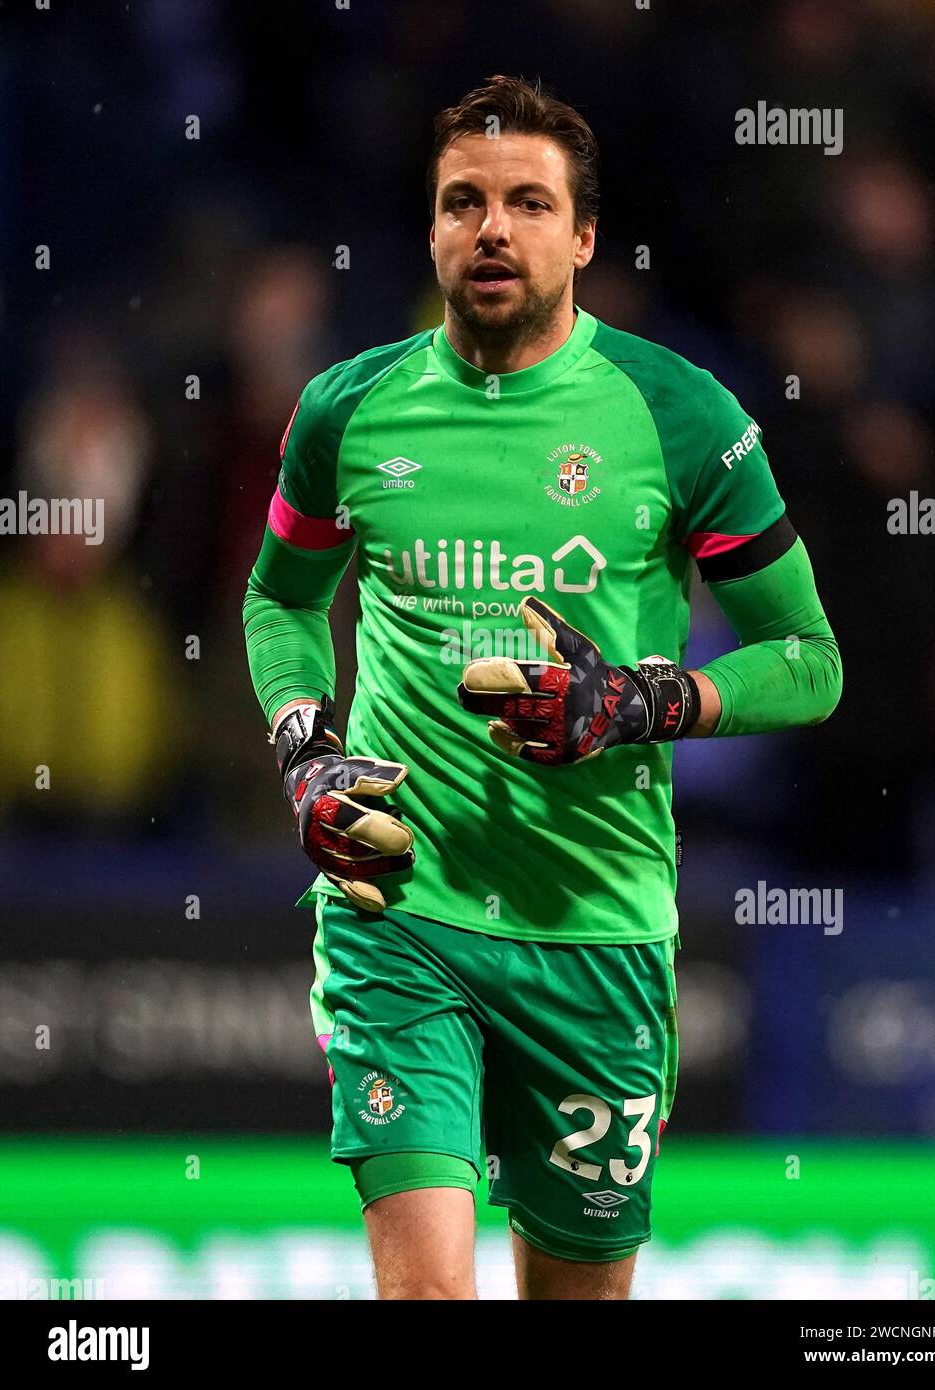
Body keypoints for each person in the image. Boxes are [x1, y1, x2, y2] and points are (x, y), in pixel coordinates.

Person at [243, 74, 842, 1301]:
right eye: (463, 201)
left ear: (580, 236)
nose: (491, 228)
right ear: (430, 229)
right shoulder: (345, 410)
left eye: (527, 202)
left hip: (597, 929)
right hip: (397, 913)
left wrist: (640, 701)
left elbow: (809, 662)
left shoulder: (680, 415)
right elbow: (283, 597)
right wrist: (306, 746)